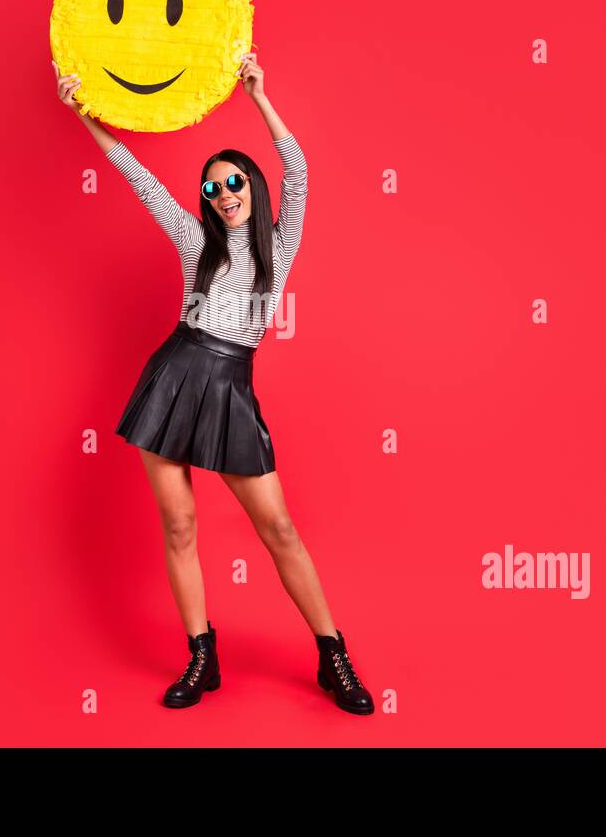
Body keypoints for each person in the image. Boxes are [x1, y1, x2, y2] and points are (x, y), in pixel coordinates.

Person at [52, 54, 373, 716]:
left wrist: (259, 95)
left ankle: (332, 654)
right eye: (212, 188)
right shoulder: (197, 243)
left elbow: (301, 173)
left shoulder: (278, 246)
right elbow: (140, 180)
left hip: (231, 385)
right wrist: (85, 113)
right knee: (179, 526)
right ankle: (202, 655)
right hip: (173, 377)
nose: (223, 193)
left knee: (279, 527)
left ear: (249, 184)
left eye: (233, 182)